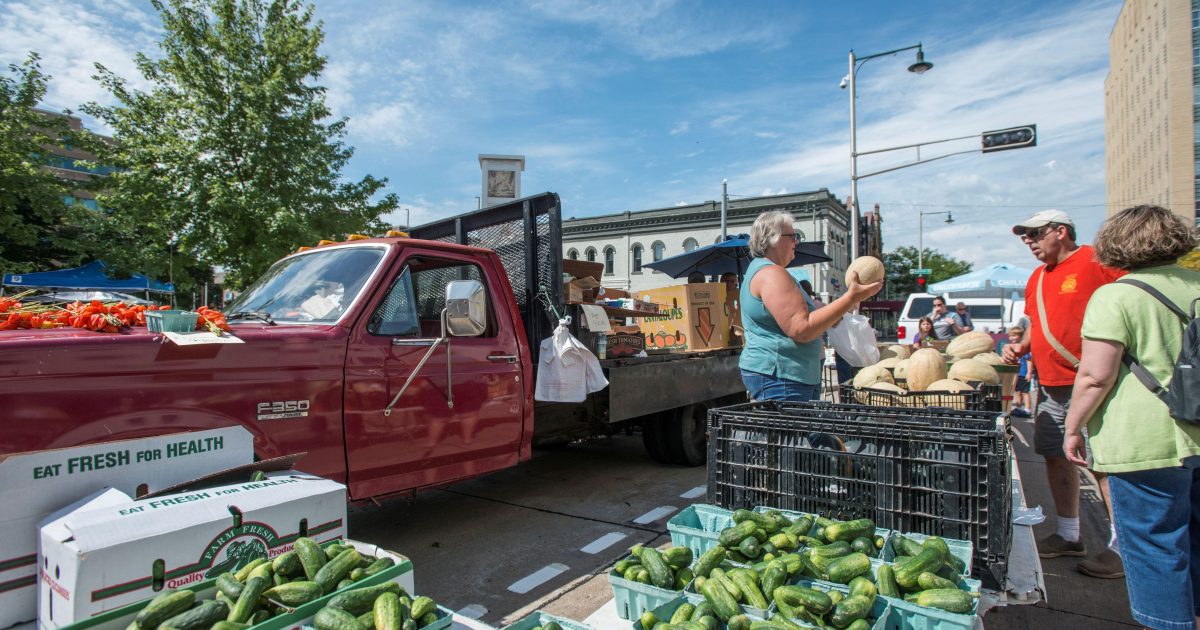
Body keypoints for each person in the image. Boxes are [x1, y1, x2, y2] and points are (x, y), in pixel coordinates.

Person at [1061, 205, 1200, 628]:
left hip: (1147, 441)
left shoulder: (1118, 294)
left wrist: (1073, 427)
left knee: (1154, 544)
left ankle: (1167, 622)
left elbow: (1095, 376)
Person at [1001, 209, 1126, 578]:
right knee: (1055, 455)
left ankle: (1122, 548)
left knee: (1105, 466)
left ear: (1061, 231)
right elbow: (1038, 324)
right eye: (1025, 236)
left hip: (1094, 383)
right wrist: (1020, 347)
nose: (1029, 241)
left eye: (1036, 234)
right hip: (1050, 386)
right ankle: (1070, 534)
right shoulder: (1037, 277)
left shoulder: (1096, 261)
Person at [740, 211, 882, 401]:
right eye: (793, 236)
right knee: (792, 431)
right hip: (782, 376)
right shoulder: (772, 274)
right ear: (773, 239)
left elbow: (805, 318)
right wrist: (850, 298)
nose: (796, 242)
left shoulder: (768, 271)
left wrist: (845, 305)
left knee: (798, 431)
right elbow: (801, 329)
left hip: (788, 375)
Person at [1005, 326, 1032, 417]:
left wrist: (1029, 373)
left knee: (1025, 392)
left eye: (1014, 336)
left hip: (1023, 374)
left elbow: (1029, 361)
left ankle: (1027, 409)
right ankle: (1019, 407)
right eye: (1010, 336)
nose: (1011, 338)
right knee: (1017, 392)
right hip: (1016, 374)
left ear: (1020, 336)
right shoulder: (1011, 348)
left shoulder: (1023, 348)